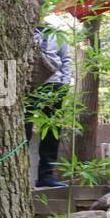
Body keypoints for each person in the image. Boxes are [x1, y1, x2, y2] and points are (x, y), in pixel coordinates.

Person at [26, 24, 73, 189]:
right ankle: (20, 175)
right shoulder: (23, 28)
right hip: (29, 86)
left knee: (52, 133)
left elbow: (66, 59)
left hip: (54, 85)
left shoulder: (57, 34)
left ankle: (46, 176)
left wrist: (65, 85)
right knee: (24, 129)